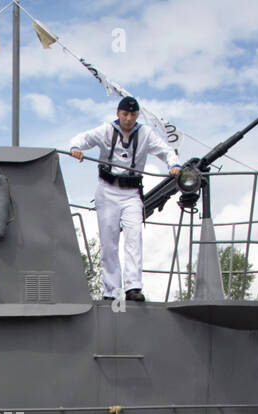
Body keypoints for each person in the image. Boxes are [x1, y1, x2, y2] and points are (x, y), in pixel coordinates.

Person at [69, 96, 181, 301]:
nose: (128, 118)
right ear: (118, 114)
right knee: (109, 241)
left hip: (131, 193)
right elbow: (82, 139)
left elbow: (166, 151)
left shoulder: (145, 134)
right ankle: (111, 290)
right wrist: (76, 148)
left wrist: (173, 165)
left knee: (133, 237)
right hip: (107, 190)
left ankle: (133, 287)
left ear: (137, 115)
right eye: (125, 114)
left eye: (132, 114)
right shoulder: (106, 130)